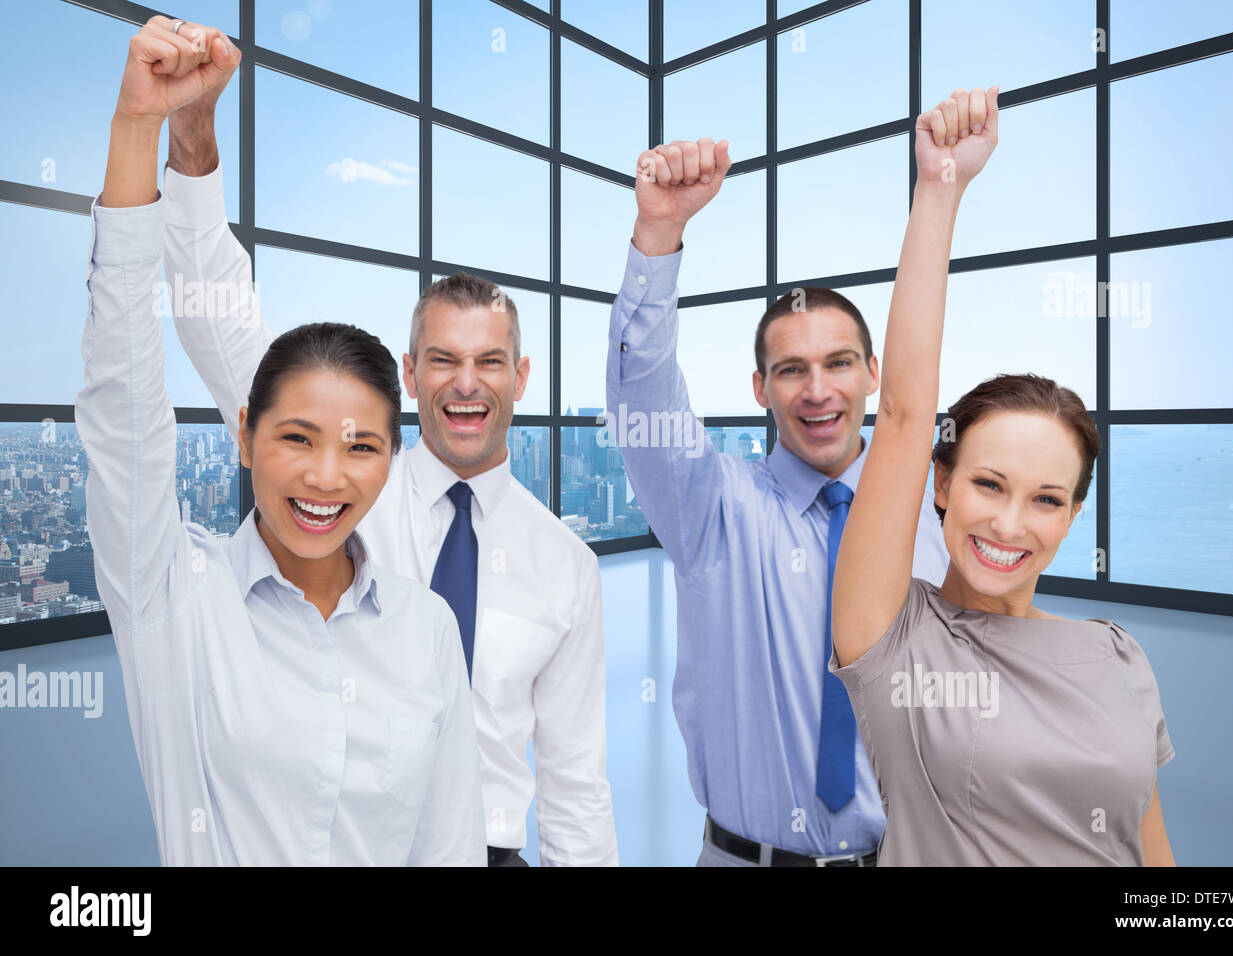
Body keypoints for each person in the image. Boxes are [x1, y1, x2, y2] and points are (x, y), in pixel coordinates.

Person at [154, 17, 616, 866]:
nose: (466, 383)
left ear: (524, 377)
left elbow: (578, 785)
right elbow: (219, 323)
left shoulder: (565, 567)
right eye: (443, 359)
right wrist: (191, 136)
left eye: (489, 362)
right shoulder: (335, 497)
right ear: (410, 372)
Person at [79, 19, 484, 865]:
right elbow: (128, 406)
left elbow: (447, 847)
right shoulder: (175, 601)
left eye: (361, 447)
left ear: (393, 453)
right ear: (242, 436)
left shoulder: (427, 629)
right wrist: (149, 128)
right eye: (295, 437)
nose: (326, 477)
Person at [829, 87, 1176, 865]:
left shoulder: (1117, 656)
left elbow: (1152, 856)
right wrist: (940, 189)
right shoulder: (893, 639)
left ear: (1072, 517)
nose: (1011, 524)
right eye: (989, 484)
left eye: (1046, 499)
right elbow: (908, 415)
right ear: (941, 486)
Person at [607, 137, 949, 865]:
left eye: (838, 364)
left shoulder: (933, 511)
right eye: (791, 369)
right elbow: (644, 395)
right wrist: (660, 236)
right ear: (761, 390)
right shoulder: (710, 508)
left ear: (873, 375)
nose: (817, 390)